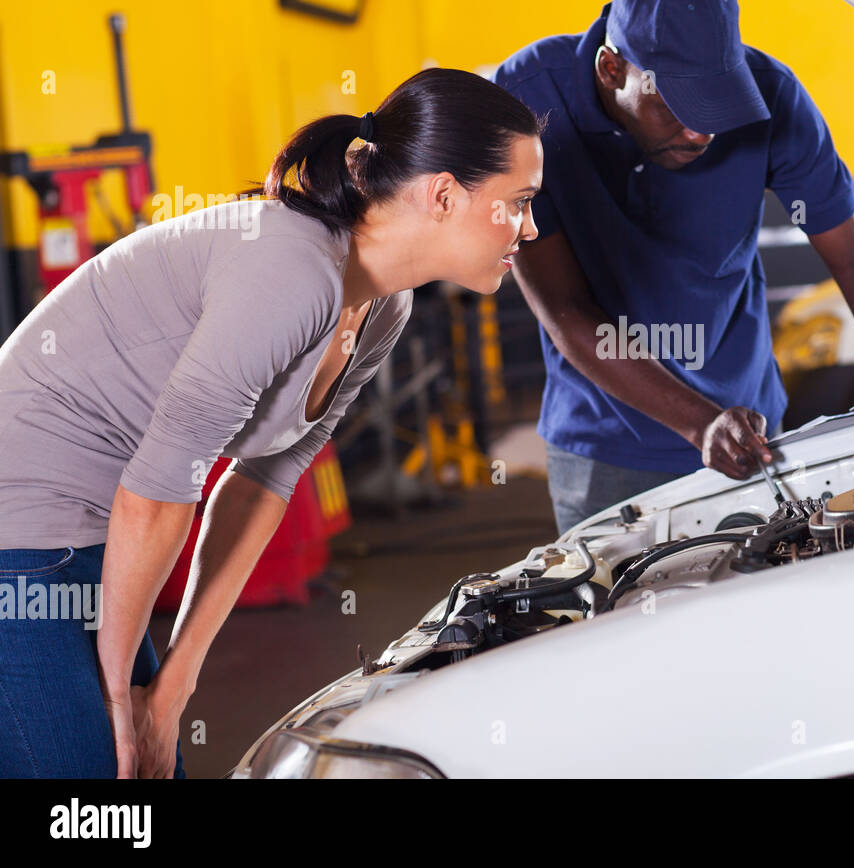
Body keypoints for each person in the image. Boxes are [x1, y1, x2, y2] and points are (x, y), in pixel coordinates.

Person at [0, 67, 544, 778]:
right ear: (443, 194)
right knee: (98, 790)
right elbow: (158, 491)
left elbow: (264, 481)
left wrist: (172, 690)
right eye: (519, 203)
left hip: (100, 523)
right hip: (24, 522)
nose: (530, 227)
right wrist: (118, 702)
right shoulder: (289, 269)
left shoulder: (384, 307)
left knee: (141, 765)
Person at [493, 0, 854, 533]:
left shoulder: (774, 96)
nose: (701, 132)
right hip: (605, 448)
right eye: (679, 108)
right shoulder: (529, 100)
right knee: (624, 619)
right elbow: (564, 308)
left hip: (752, 431)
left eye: (716, 106)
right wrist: (699, 422)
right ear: (612, 70)